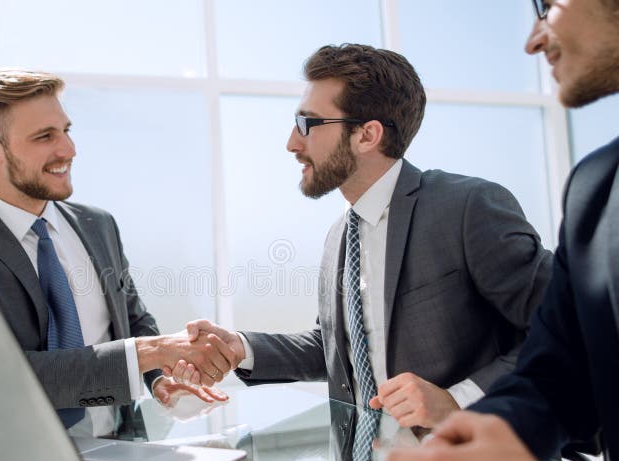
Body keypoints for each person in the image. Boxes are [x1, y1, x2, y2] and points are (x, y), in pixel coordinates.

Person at [178, 43, 551, 430]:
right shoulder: (339, 236)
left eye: (308, 123)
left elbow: (561, 326)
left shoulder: (466, 207)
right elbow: (338, 349)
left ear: (367, 135)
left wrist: (457, 400)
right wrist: (243, 348)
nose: (292, 142)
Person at [379, 1, 619, 461]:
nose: (533, 41)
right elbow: (554, 375)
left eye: (549, 5)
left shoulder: (466, 206)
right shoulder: (594, 190)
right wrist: (472, 444)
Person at [0, 69, 240, 436]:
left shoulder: (98, 225)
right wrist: (155, 350)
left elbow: (132, 318)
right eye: (44, 136)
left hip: (126, 448)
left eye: (66, 131)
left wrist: (158, 379)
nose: (68, 149)